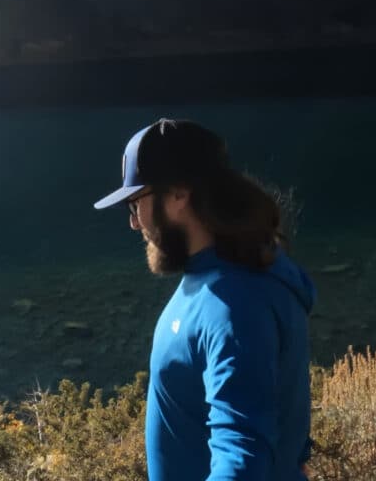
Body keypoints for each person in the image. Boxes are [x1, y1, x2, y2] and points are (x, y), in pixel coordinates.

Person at [92, 118, 317, 481]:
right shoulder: (236, 276)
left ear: (179, 194)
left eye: (135, 203)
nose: (134, 222)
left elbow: (241, 460)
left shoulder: (232, 304)